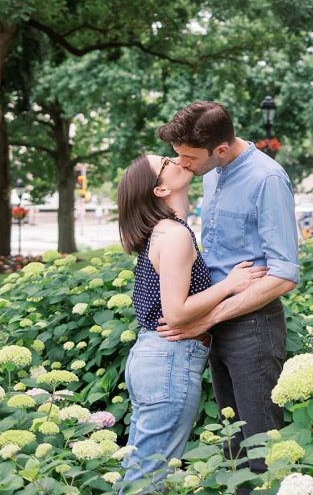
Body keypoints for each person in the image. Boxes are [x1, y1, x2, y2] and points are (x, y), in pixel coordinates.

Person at [155, 101, 299, 470]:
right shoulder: (210, 170)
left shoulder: (267, 178)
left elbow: (283, 274)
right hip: (215, 318)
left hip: (253, 325)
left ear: (219, 149)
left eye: (188, 158)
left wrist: (207, 318)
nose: (182, 165)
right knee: (233, 445)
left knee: (261, 450)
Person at [117, 153, 267, 491]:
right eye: (166, 162)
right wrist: (230, 285)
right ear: (159, 189)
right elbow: (177, 313)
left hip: (155, 357)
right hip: (168, 358)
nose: (177, 159)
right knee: (148, 479)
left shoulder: (168, 231)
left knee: (141, 471)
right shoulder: (173, 235)